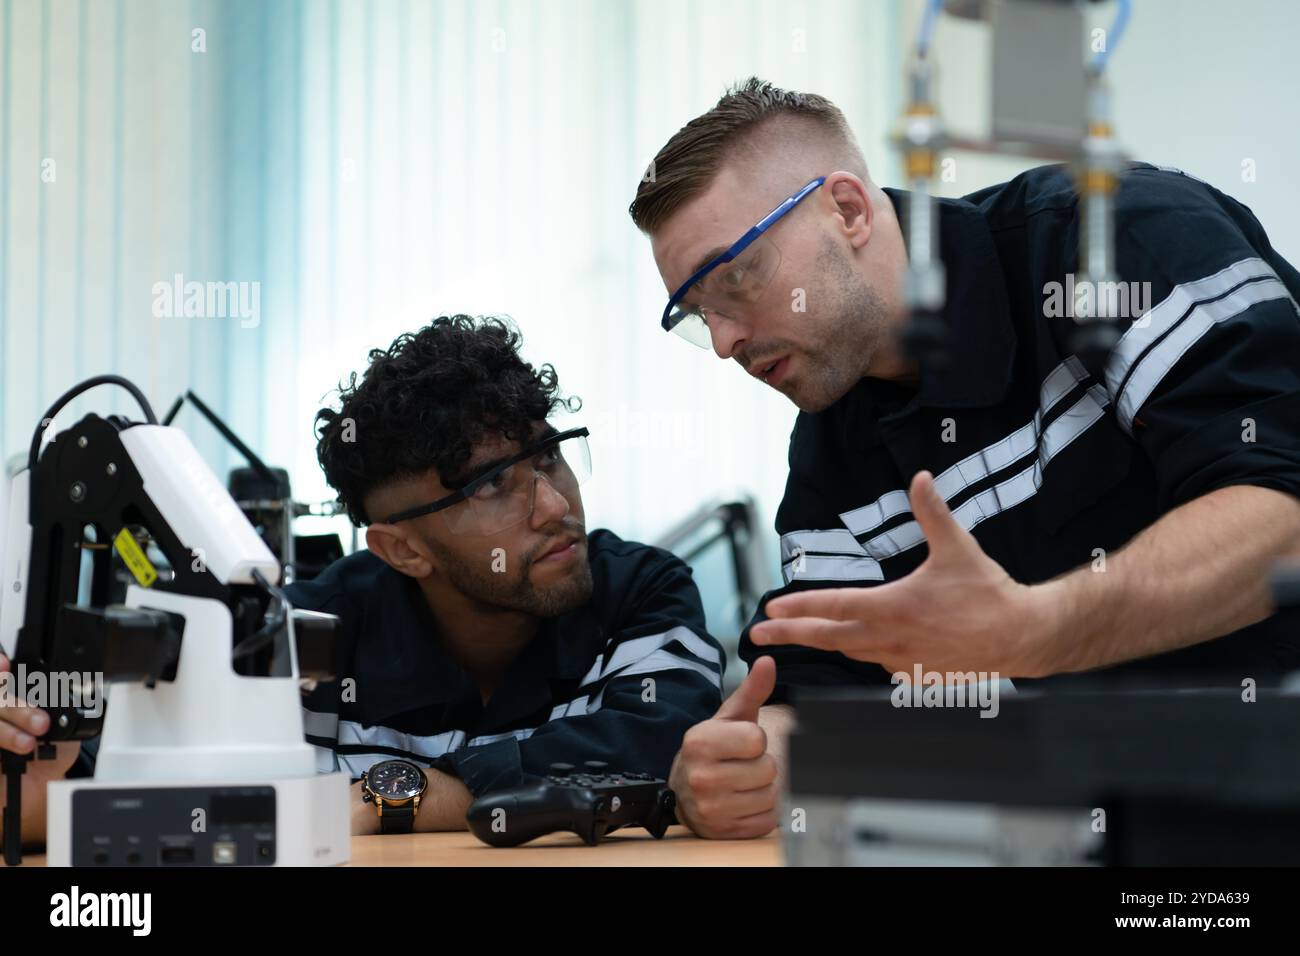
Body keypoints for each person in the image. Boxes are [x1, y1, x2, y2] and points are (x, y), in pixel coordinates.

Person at [628, 77, 1300, 838]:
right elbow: (819, 687)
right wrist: (747, 765)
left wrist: (1041, 630)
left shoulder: (1110, 244)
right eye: (700, 314)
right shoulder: (831, 447)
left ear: (846, 211)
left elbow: (1282, 513)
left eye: (736, 280)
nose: (724, 343)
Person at [0, 315, 723, 843]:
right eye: (492, 487)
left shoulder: (638, 592)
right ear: (402, 550)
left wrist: (407, 798)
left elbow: (677, 758)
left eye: (548, 458)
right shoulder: (291, 641)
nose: (559, 506)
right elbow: (86, 809)